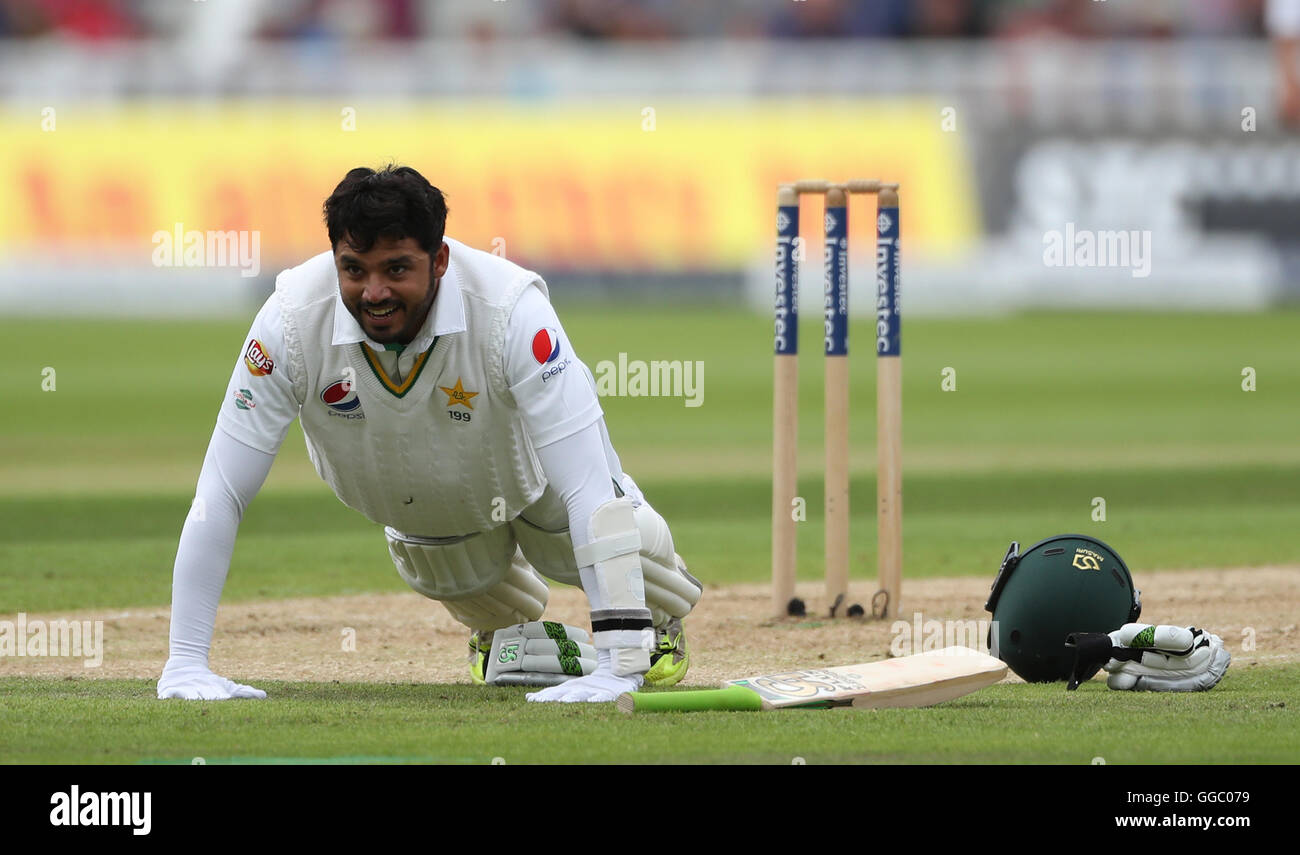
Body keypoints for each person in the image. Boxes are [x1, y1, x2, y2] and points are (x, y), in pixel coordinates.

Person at [158, 164, 701, 703]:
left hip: (538, 473)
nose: (374, 293)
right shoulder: (291, 321)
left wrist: (616, 668)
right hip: (428, 494)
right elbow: (221, 492)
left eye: (396, 269)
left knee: (569, 530)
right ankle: (505, 633)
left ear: (439, 259)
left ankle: (648, 626)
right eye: (354, 270)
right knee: (444, 563)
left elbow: (587, 490)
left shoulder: (512, 310)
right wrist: (185, 665)